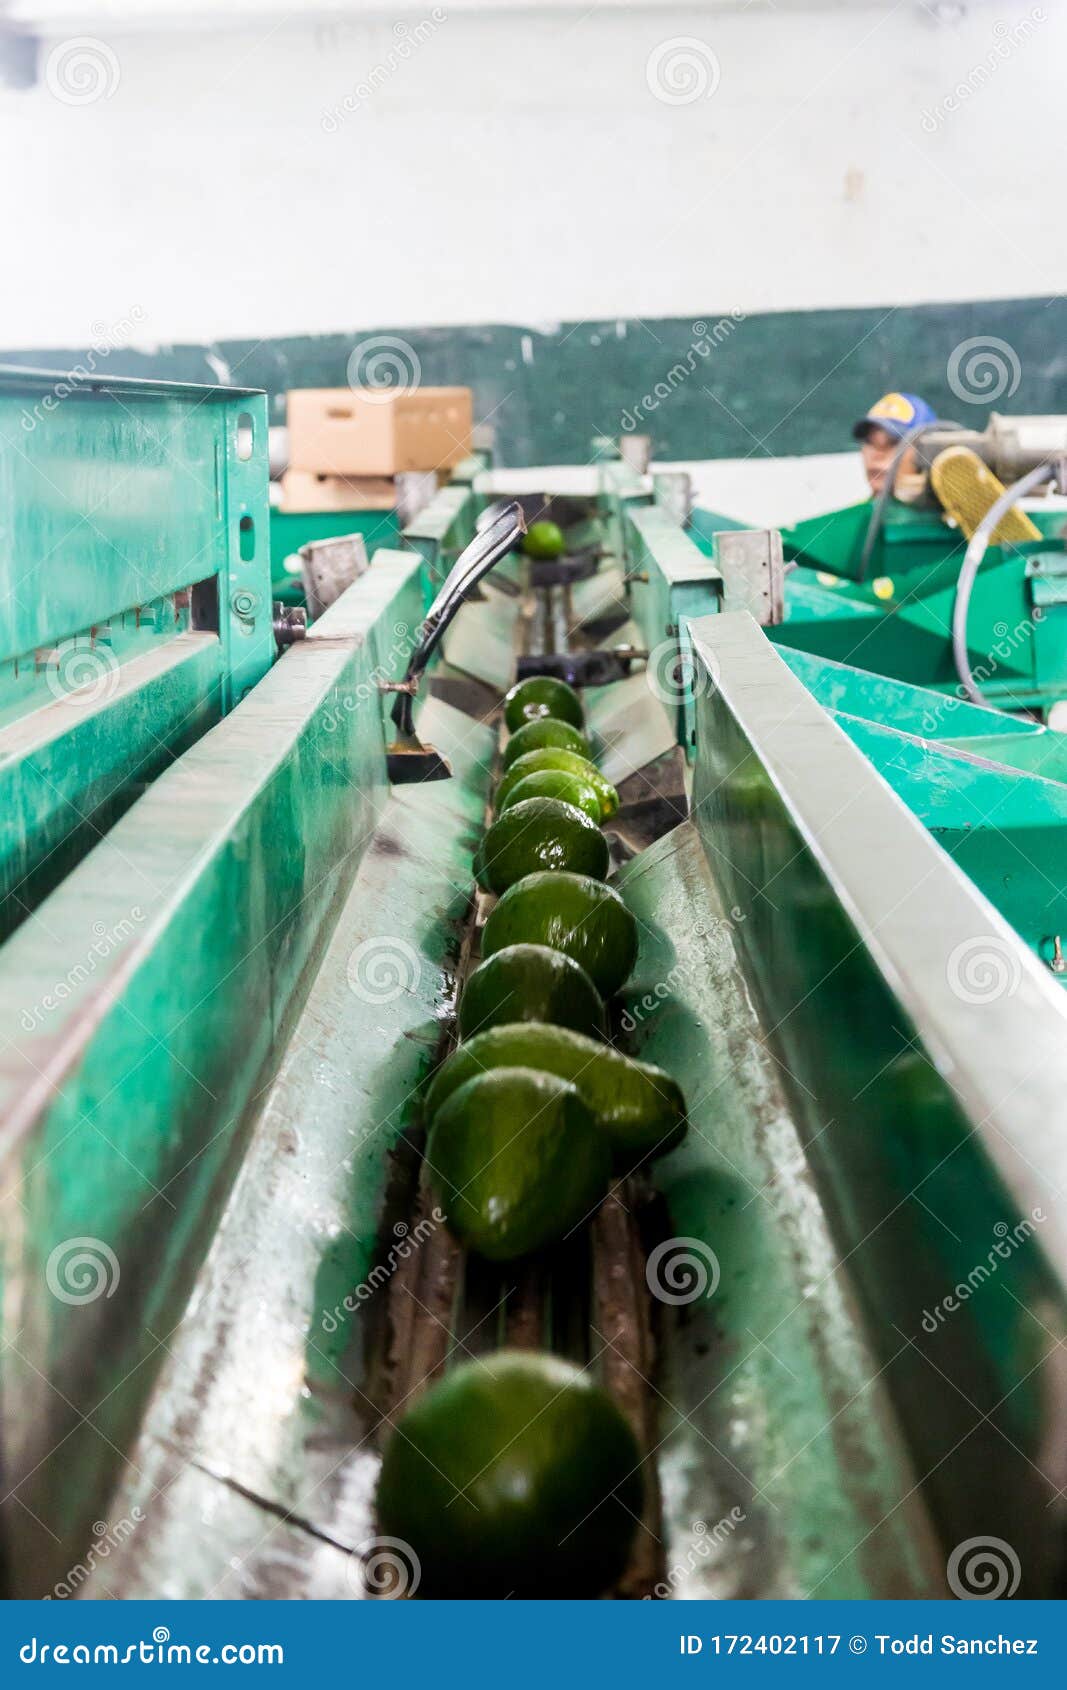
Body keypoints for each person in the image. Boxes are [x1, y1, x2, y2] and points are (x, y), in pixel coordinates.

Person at [852, 392, 937, 502]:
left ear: (927, 453)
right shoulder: (850, 513)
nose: (877, 455)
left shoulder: (954, 511)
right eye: (869, 442)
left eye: (894, 443)